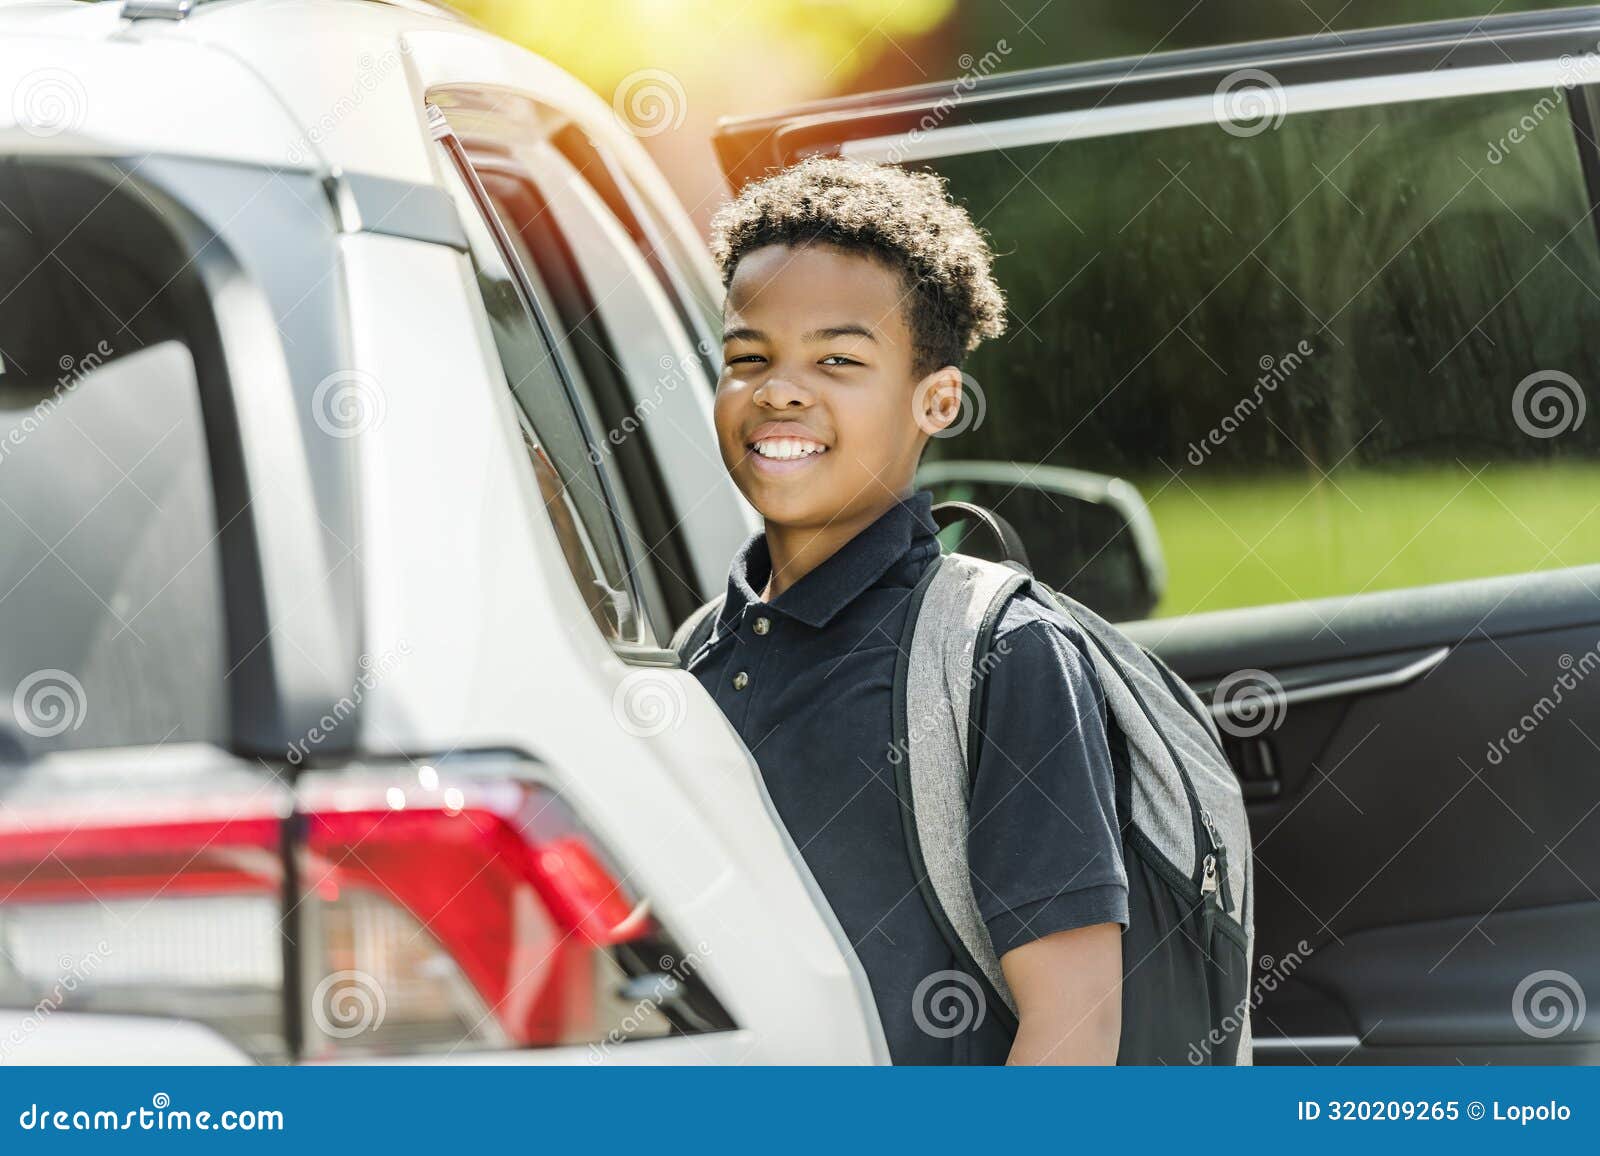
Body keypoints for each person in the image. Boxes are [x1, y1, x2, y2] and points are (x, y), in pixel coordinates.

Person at [685, 157, 1125, 1064]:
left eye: (838, 360)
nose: (780, 390)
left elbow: (1076, 1022)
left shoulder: (998, 652)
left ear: (936, 399)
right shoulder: (690, 654)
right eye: (748, 358)